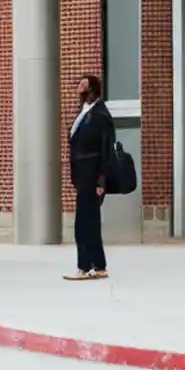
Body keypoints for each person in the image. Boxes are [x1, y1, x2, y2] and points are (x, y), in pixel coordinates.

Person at [65, 75, 115, 281]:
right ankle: (99, 265)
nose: (78, 87)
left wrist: (101, 181)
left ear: (93, 89)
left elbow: (107, 150)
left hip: (92, 175)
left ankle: (84, 267)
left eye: (83, 85)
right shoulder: (84, 112)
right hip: (82, 175)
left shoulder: (101, 114)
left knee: (83, 222)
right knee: (91, 222)